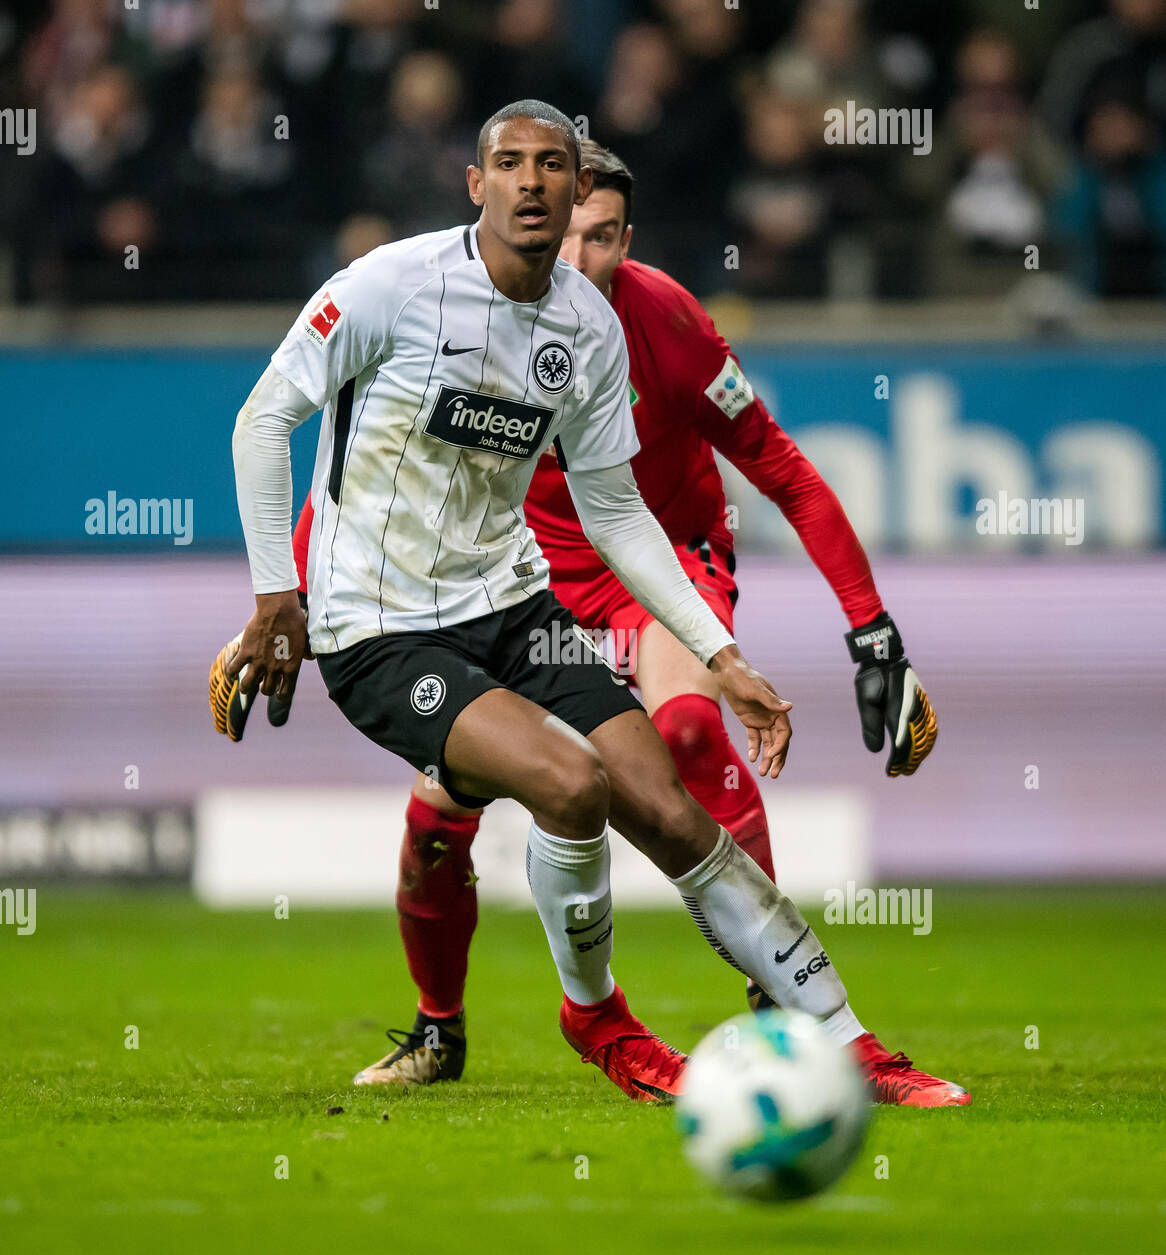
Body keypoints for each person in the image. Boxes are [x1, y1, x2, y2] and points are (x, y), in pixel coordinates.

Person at [221, 101, 966, 1108]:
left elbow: (614, 510)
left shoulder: (589, 325)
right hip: (384, 630)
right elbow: (266, 419)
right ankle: (594, 1018)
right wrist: (278, 595)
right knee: (568, 786)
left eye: (553, 168)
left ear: (583, 190)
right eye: (509, 164)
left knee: (666, 804)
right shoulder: (388, 285)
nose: (533, 184)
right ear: (475, 184)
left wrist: (722, 653)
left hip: (516, 608)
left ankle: (843, 1040)